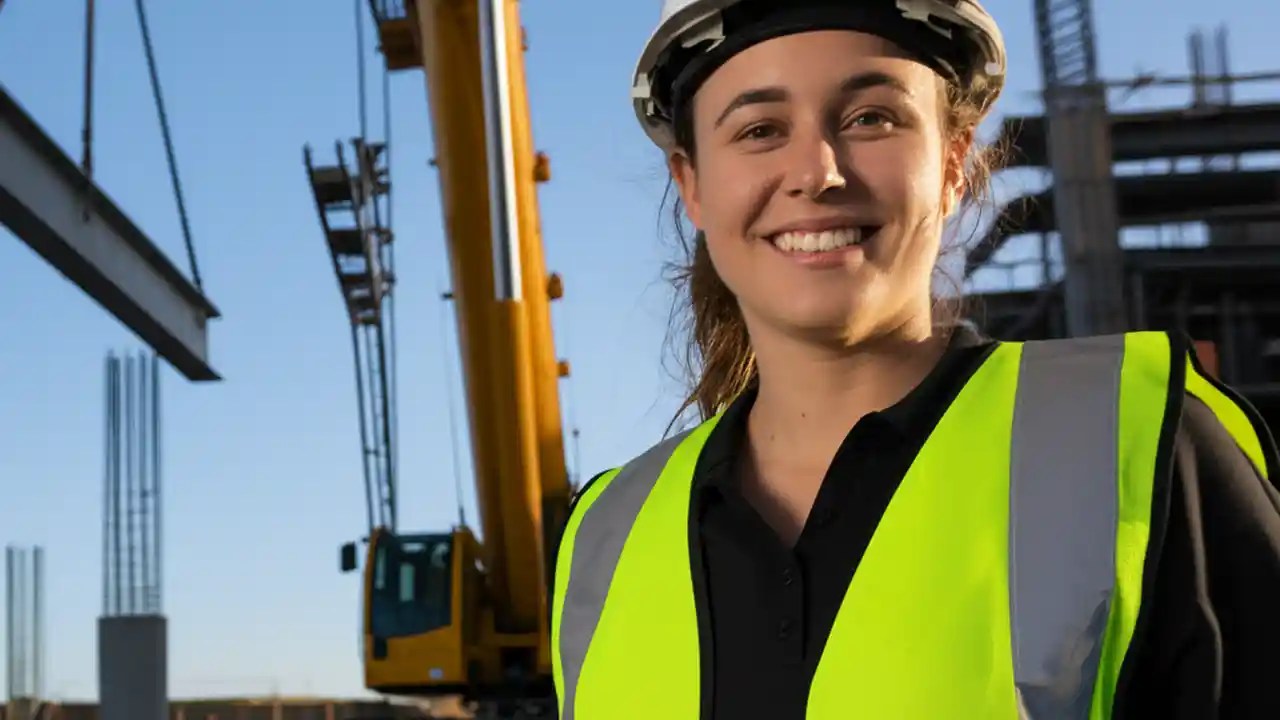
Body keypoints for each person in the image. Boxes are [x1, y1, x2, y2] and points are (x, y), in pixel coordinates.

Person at [551, 0, 1280, 717]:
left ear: (954, 161)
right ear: (693, 187)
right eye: (760, 129)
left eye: (872, 117)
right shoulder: (603, 542)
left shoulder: (1138, 449)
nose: (818, 172)